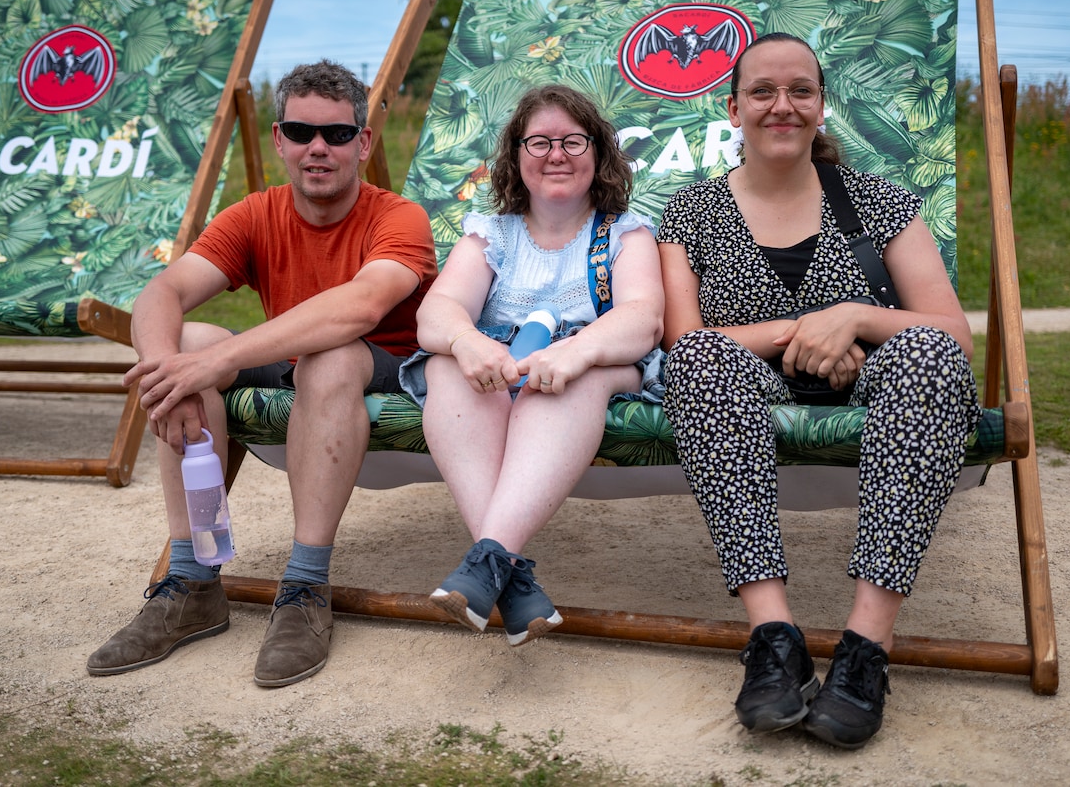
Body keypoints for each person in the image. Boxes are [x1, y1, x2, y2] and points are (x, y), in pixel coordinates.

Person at [657, 33, 980, 747]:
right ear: (733, 108)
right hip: (745, 389)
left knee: (928, 353)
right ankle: (775, 639)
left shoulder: (880, 203)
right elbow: (684, 340)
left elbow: (953, 333)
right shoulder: (691, 211)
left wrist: (856, 319)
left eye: (800, 90)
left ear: (821, 104)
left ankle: (866, 647)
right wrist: (806, 333)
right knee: (701, 362)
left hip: (879, 387)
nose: (783, 105)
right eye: (763, 91)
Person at [86, 60, 438, 687]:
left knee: (326, 356)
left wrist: (220, 361)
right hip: (298, 371)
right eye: (301, 132)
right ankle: (193, 580)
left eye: (336, 134)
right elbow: (162, 292)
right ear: (279, 139)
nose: (317, 148)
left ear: (363, 143)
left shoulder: (399, 217)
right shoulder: (256, 213)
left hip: (389, 372)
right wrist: (171, 371)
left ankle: (304, 587)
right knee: (185, 344)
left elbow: (360, 309)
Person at [399, 84, 664, 647]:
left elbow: (643, 319)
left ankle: (489, 560)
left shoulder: (625, 233)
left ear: (598, 151)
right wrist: (467, 341)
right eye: (539, 142)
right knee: (448, 366)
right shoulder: (490, 234)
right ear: (517, 156)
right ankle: (506, 571)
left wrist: (575, 351)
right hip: (504, 367)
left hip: (592, 363)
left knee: (563, 381)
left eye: (573, 141)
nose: (556, 154)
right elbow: (437, 313)